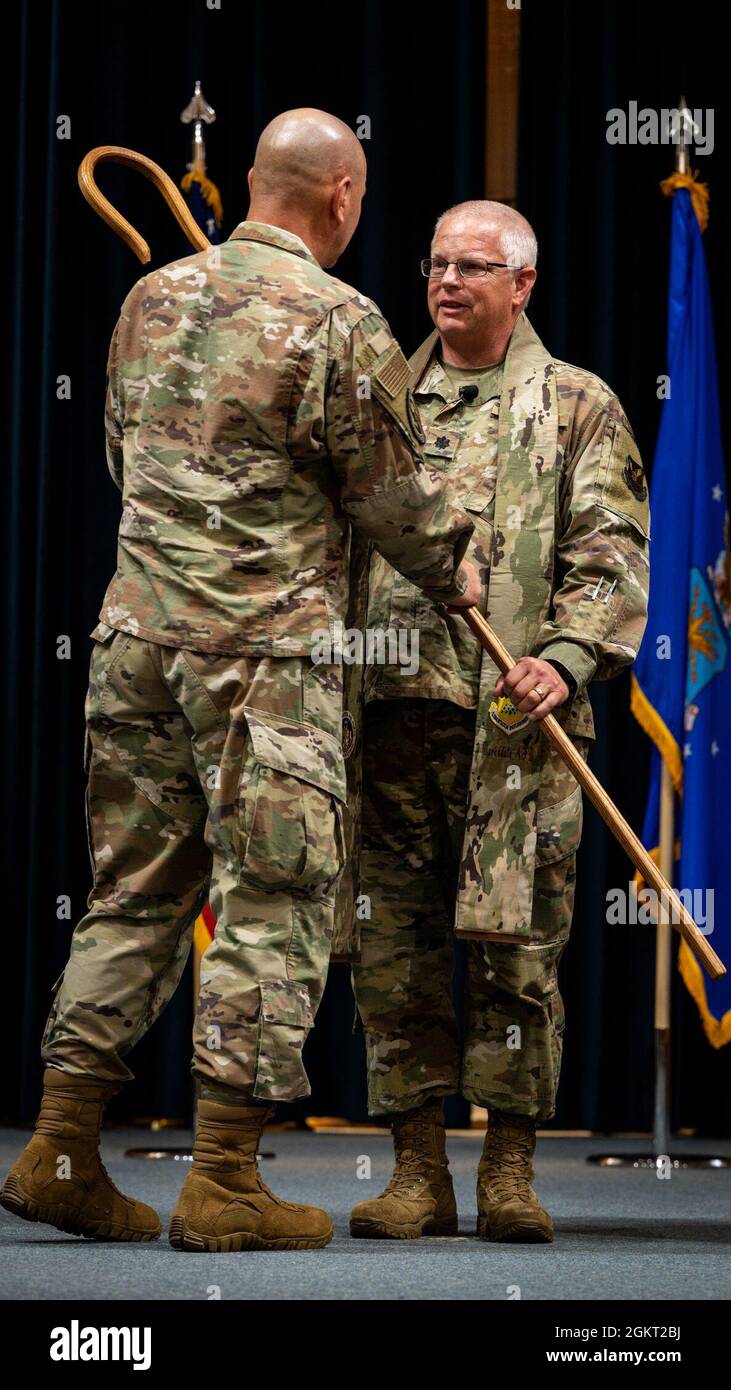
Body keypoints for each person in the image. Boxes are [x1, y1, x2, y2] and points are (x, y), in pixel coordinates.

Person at [0, 111, 478, 1254]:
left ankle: (59, 1145)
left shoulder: (147, 299)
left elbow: (126, 457)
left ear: (255, 184)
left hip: (133, 649)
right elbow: (391, 497)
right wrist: (455, 566)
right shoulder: (342, 318)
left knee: (133, 893)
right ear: (344, 197)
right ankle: (223, 1179)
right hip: (265, 660)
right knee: (274, 899)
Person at [350, 200, 650, 1243]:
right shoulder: (378, 396)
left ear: (521, 284)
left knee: (518, 954)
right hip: (385, 719)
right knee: (391, 951)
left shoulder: (575, 404)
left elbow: (609, 557)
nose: (445, 281)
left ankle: (509, 1170)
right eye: (435, 262)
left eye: (472, 266)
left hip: (513, 733)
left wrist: (565, 661)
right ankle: (414, 1172)